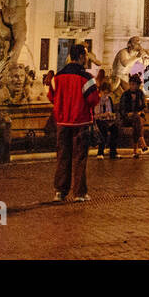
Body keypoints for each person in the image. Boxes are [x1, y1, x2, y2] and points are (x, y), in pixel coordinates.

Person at [48, 43, 100, 201]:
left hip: (62, 122)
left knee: (62, 156)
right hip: (80, 122)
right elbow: (93, 99)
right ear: (82, 57)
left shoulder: (58, 76)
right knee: (79, 157)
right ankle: (79, 192)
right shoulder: (86, 78)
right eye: (86, 56)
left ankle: (60, 191)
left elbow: (51, 96)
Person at [119, 73, 148, 157]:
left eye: (134, 84)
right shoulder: (125, 94)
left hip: (138, 117)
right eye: (131, 84)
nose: (132, 86)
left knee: (137, 120)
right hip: (127, 118)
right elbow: (122, 109)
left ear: (138, 85)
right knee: (137, 120)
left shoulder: (140, 94)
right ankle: (141, 142)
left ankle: (135, 150)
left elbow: (145, 107)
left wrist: (141, 112)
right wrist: (128, 114)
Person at [93, 80, 119, 159]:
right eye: (105, 93)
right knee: (103, 130)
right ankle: (100, 152)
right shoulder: (97, 100)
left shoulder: (109, 100)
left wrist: (112, 116)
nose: (106, 95)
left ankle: (113, 152)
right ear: (101, 91)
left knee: (115, 129)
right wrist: (104, 115)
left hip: (108, 120)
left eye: (108, 93)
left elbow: (111, 111)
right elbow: (95, 115)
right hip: (99, 121)